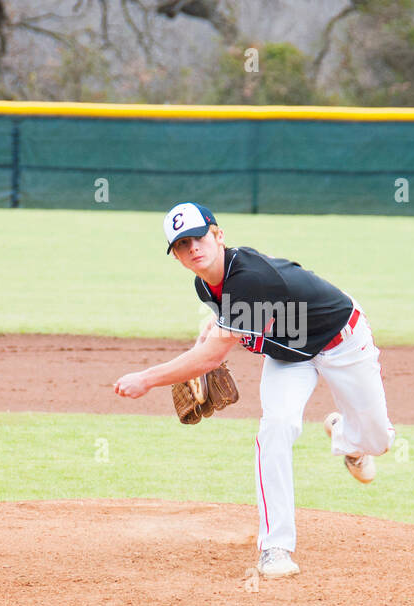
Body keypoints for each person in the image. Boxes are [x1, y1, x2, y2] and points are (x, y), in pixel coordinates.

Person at [113, 202, 396, 579]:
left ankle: (349, 439)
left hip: (342, 343)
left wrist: (146, 379)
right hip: (289, 355)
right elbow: (225, 318)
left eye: (199, 238)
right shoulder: (204, 284)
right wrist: (213, 329)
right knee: (274, 429)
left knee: (378, 441)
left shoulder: (251, 277)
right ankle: (275, 548)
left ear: (218, 235)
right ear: (177, 256)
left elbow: (211, 357)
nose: (193, 249)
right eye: (182, 245)